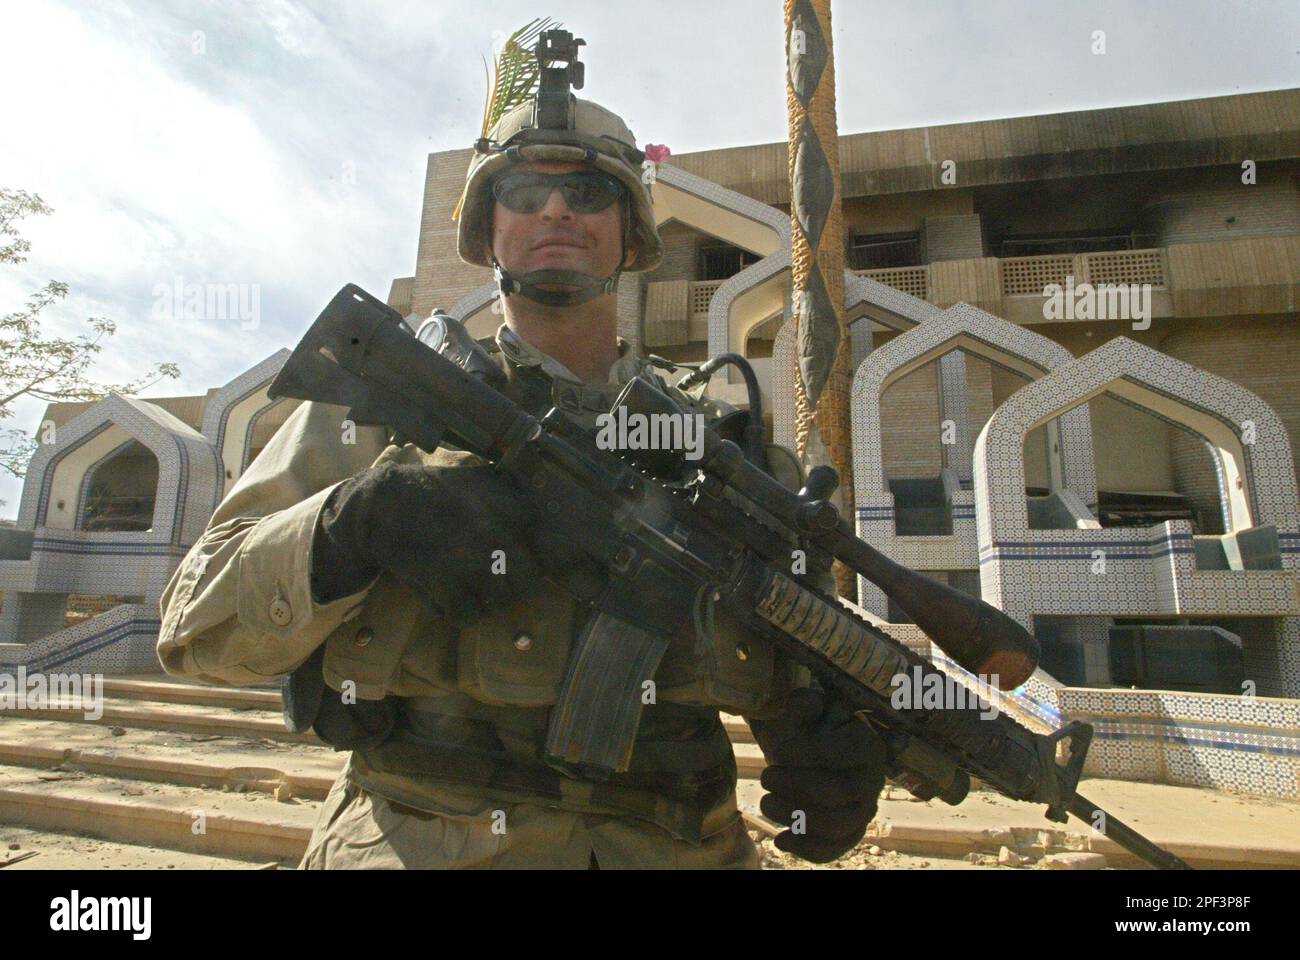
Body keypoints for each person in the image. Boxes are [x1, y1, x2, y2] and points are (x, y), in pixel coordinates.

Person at [157, 71, 886, 869]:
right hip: (417, 838)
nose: (556, 209)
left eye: (585, 190)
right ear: (485, 230)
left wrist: (832, 753)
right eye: (524, 190)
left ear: (632, 235)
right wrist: (348, 527)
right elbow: (199, 637)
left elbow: (803, 653)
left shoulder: (720, 445)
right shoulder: (379, 407)